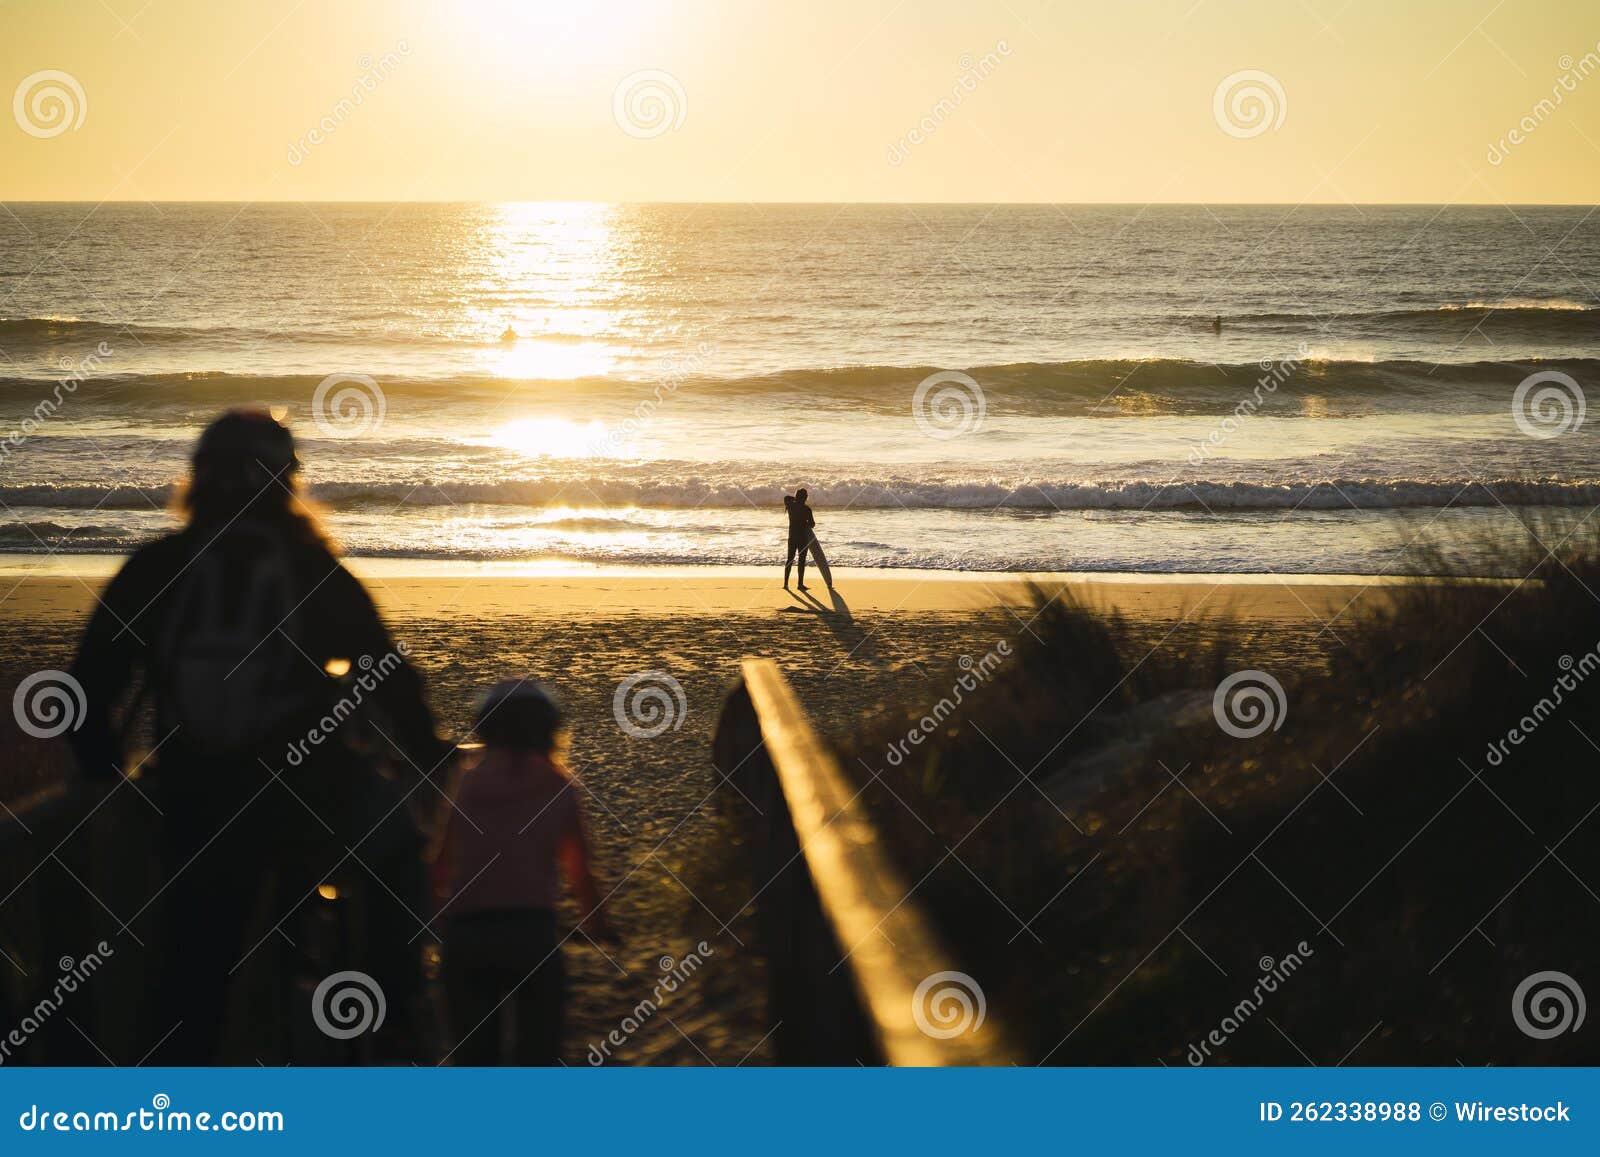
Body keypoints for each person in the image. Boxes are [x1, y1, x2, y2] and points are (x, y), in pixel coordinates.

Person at [68, 407, 449, 1064]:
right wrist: (428, 751)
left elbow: (87, 684)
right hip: (307, 792)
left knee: (193, 973)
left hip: (191, 796)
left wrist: (107, 775)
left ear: (199, 477)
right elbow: (385, 671)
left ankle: (178, 1093)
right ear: (285, 480)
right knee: (396, 845)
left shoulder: (160, 566)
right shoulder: (307, 566)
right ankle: (394, 1006)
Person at [432, 679, 612, 1065]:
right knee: (538, 1053)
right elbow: (580, 871)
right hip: (531, 933)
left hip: (468, 933)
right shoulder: (558, 785)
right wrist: (599, 926)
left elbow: (442, 862)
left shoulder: (468, 782)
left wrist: (432, 919)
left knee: (474, 1058)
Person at [783, 488, 816, 590]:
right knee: (801, 561)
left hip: (792, 537)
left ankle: (786, 584)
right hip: (802, 538)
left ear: (797, 496)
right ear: (805, 497)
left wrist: (796, 499)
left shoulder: (790, 506)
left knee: (789, 559)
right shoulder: (807, 509)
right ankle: (800, 585)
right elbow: (812, 524)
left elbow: (786, 497)